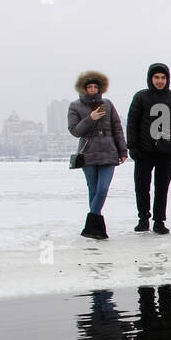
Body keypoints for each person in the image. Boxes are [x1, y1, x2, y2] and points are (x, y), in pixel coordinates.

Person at [126, 62, 171, 234]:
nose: (160, 81)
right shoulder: (140, 97)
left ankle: (159, 221)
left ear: (167, 79)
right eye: (156, 77)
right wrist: (132, 146)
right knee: (142, 187)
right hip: (143, 151)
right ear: (150, 78)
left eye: (163, 77)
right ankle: (143, 219)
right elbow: (132, 123)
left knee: (162, 188)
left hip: (166, 151)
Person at [67, 70, 127, 240]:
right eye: (89, 87)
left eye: (95, 87)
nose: (93, 90)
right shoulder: (75, 106)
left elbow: (117, 128)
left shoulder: (107, 104)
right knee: (93, 190)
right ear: (83, 89)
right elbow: (75, 131)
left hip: (109, 153)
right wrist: (90, 118)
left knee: (102, 189)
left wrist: (123, 151)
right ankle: (97, 228)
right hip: (88, 154)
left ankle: (91, 224)